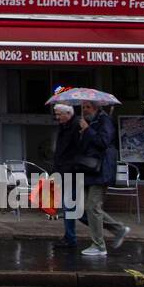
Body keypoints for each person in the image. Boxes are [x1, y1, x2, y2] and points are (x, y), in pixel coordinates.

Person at [76, 100, 130, 257]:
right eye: (83, 107)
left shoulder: (104, 120)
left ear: (96, 108)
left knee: (93, 207)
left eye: (88, 107)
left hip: (101, 170)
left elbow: (103, 142)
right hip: (91, 170)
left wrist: (88, 130)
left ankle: (99, 245)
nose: (85, 110)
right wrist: (84, 133)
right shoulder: (91, 122)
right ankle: (118, 229)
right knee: (88, 208)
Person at [50, 103, 81, 249]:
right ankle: (69, 236)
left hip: (71, 171)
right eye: (56, 114)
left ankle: (70, 238)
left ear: (68, 113)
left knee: (70, 206)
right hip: (64, 170)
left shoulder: (76, 126)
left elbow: (77, 149)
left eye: (58, 114)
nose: (57, 117)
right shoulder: (64, 127)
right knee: (70, 206)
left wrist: (69, 166)